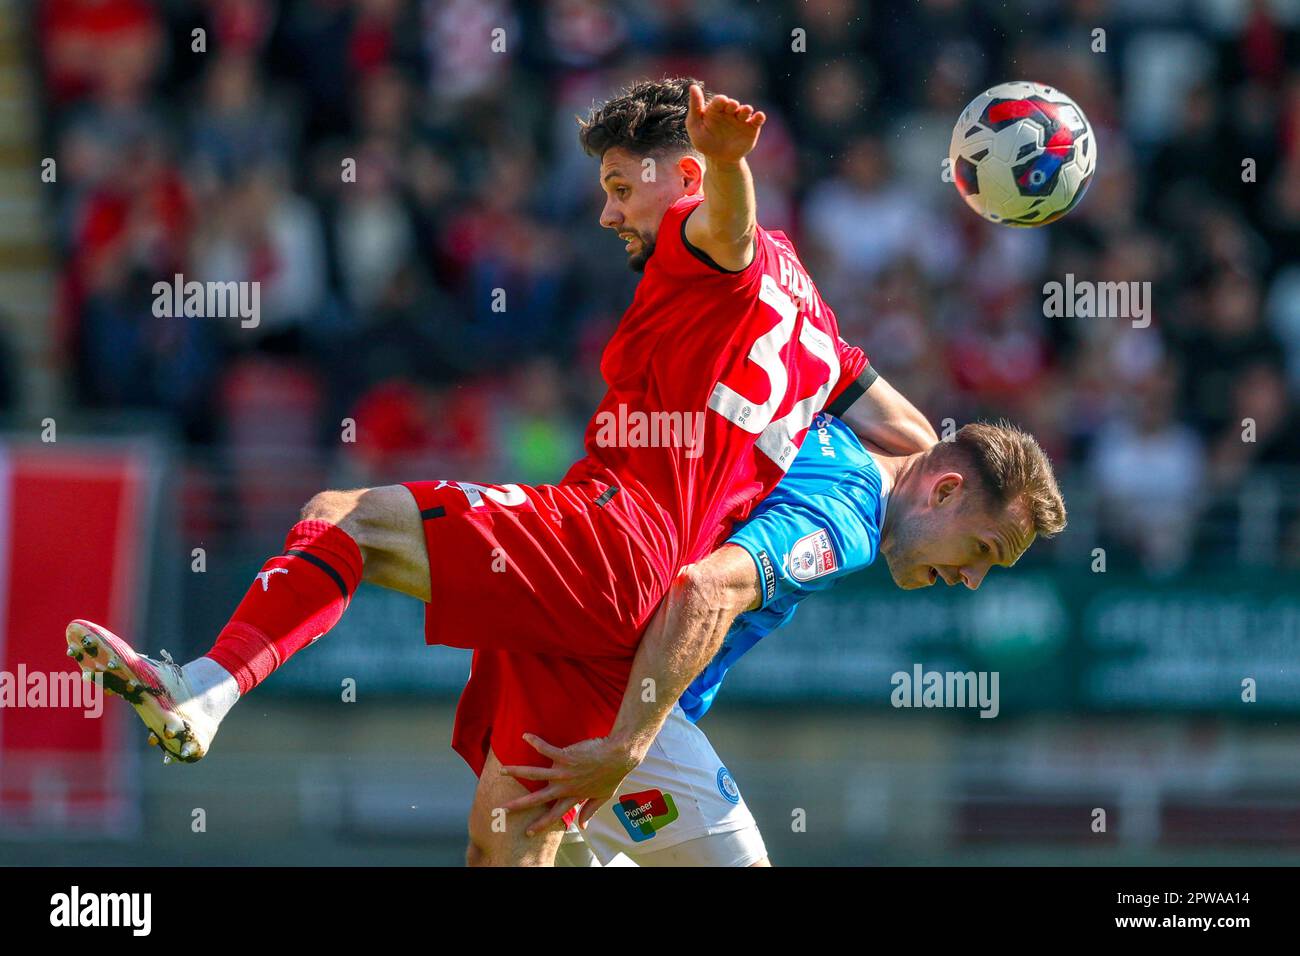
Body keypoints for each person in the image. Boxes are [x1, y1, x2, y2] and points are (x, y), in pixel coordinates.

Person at [63, 78, 934, 866]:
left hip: (610, 541)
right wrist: (951, 469)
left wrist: (724, 161)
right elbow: (912, 434)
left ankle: (204, 693)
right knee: (509, 838)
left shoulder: (706, 237)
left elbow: (727, 230)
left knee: (347, 514)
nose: (609, 212)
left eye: (623, 187)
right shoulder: (808, 309)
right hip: (630, 609)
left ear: (683, 182)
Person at [500, 416, 1067, 866]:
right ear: (944, 492)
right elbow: (705, 589)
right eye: (984, 550)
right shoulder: (849, 521)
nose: (972, 578)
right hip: (623, 688)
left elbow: (838, 354)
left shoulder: (834, 430)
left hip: (569, 638)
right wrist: (628, 744)